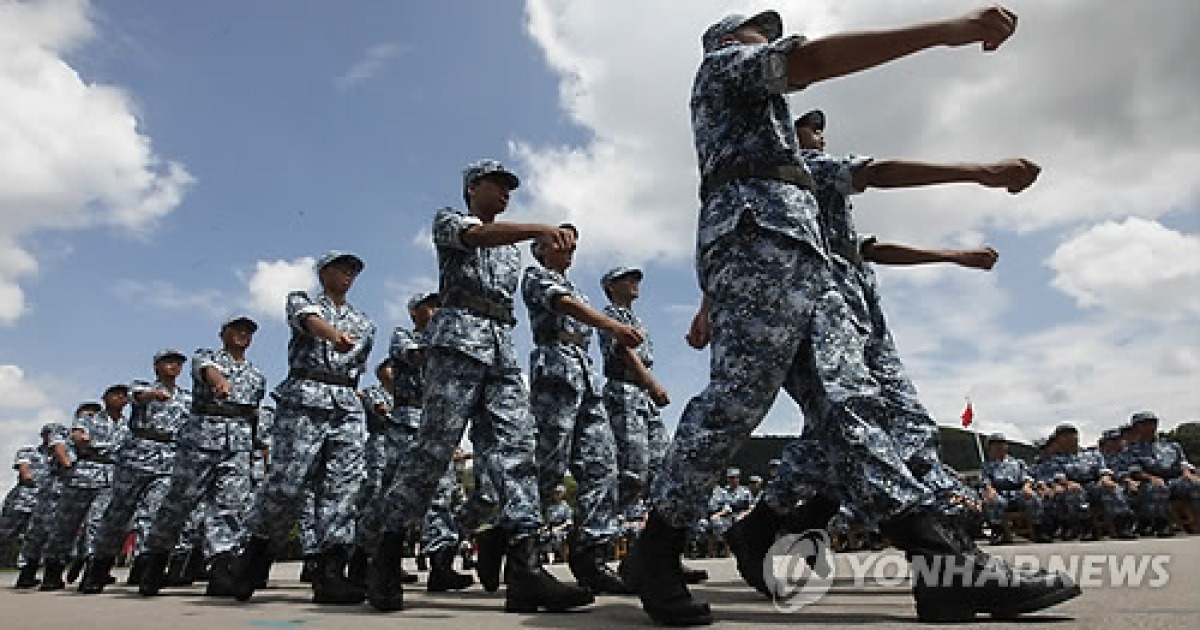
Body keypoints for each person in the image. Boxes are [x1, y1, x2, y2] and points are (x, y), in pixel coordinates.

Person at [619, 8, 1078, 625]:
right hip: (756, 247)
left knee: (853, 405)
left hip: (804, 259)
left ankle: (943, 567)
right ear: (729, 40)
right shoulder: (724, 67)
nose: (771, 35)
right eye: (761, 30)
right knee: (735, 403)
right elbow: (811, 60)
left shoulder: (772, 127)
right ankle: (656, 549)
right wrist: (945, 31)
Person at [368, 159, 593, 614]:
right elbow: (477, 237)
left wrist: (540, 235)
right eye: (496, 184)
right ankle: (385, 553)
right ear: (472, 187)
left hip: (501, 351)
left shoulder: (511, 253)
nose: (505, 193)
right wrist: (538, 228)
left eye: (510, 187)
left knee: (517, 451)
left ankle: (525, 569)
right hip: (456, 343)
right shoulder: (450, 220)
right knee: (432, 451)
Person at [229, 251, 375, 605]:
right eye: (340, 268)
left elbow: (358, 362)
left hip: (345, 405)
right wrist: (334, 336)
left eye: (352, 270)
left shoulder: (365, 321)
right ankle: (255, 554)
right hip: (305, 399)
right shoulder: (301, 301)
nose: (347, 274)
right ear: (323, 273)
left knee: (342, 489)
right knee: (287, 485)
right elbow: (309, 321)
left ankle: (330, 572)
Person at [523, 223, 639, 594]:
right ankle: (519, 547)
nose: (569, 248)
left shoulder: (581, 291)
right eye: (560, 241)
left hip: (586, 378)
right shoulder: (536, 276)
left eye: (573, 244)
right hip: (555, 373)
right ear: (541, 249)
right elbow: (562, 304)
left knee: (602, 466)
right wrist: (611, 325)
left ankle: (591, 554)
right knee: (548, 465)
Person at [137, 316, 266, 597]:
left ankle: (221, 568)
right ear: (223, 334)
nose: (243, 334)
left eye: (248, 331)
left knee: (230, 506)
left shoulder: (257, 376)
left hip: (237, 445)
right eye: (236, 329)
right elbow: (209, 371)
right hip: (201, 442)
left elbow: (253, 414)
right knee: (179, 503)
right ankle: (155, 560)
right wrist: (219, 382)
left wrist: (255, 450)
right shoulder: (205, 357)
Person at [80, 349, 191, 593]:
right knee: (118, 513)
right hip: (136, 456)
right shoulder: (141, 386)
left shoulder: (186, 398)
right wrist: (153, 395)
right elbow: (137, 396)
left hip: (168, 458)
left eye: (177, 363)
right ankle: (98, 566)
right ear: (156, 366)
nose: (173, 366)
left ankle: (147, 568)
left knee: (156, 512)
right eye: (168, 362)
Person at [41, 385, 129, 591]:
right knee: (65, 525)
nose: (119, 397)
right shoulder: (89, 419)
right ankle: (52, 571)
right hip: (82, 475)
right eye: (115, 394)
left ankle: (92, 572)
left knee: (98, 523)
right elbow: (77, 436)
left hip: (111, 477)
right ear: (105, 398)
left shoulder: (129, 425)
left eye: (123, 395)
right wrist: (82, 441)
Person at [598, 266, 670, 515]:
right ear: (611, 287)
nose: (634, 282)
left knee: (661, 462)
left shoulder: (637, 321)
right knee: (632, 467)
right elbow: (623, 351)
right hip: (624, 392)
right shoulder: (611, 315)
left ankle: (648, 520)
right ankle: (613, 519)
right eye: (626, 278)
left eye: (636, 278)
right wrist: (652, 384)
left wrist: (649, 386)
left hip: (643, 394)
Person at [14, 417, 77, 588]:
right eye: (47, 435)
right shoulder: (31, 452)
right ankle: (27, 573)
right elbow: (24, 469)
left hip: (61, 495)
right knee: (35, 534)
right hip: (34, 499)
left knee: (56, 535)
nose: (50, 438)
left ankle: (51, 574)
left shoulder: (71, 450)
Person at [1118, 411, 1199, 536]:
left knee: (1195, 484)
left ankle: (1196, 522)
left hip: (1174, 480)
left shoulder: (1172, 446)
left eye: (1152, 423)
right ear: (1136, 428)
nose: (1150, 427)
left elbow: (1183, 463)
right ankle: (1163, 524)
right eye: (1144, 424)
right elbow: (1135, 471)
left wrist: (1187, 473)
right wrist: (1151, 478)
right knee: (1158, 488)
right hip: (1147, 483)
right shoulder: (1130, 450)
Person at [979, 433, 1048, 543]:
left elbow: (1027, 477)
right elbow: (985, 481)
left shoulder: (1017, 463)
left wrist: (1026, 487)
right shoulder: (986, 465)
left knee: (1033, 498)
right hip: (999, 491)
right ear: (989, 448)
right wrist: (990, 490)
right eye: (995, 445)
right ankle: (998, 531)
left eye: (1001, 444)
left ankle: (1038, 529)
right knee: (993, 501)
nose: (999, 447)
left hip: (1017, 491)